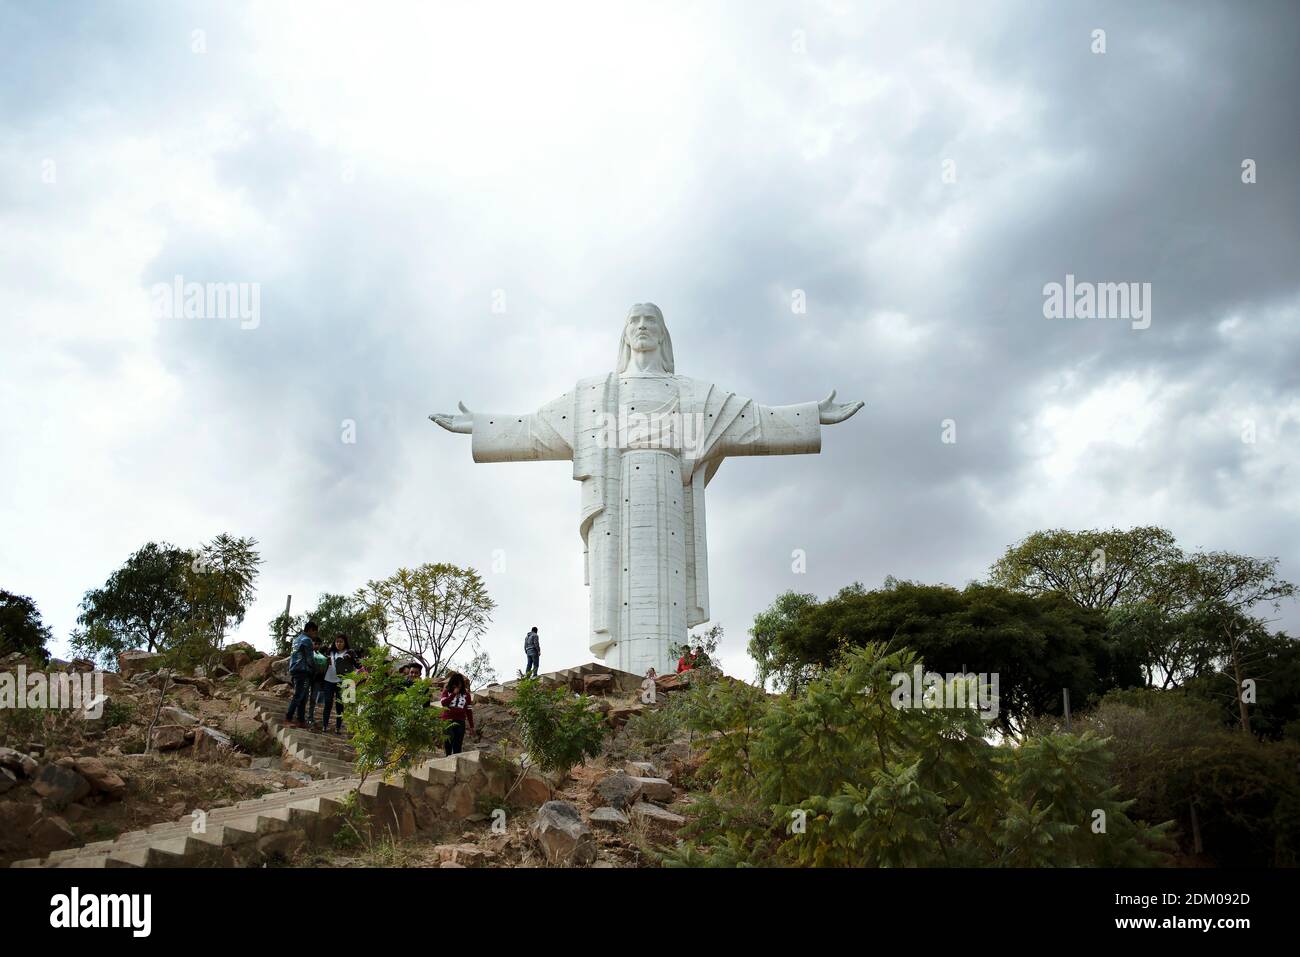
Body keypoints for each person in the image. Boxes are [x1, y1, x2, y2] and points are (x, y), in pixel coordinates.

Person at [318, 634, 357, 734]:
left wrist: (350, 658)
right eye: (337, 642)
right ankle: (325, 725)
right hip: (328, 680)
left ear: (345, 643)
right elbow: (319, 654)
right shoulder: (330, 652)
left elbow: (357, 664)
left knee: (339, 705)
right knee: (328, 703)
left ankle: (338, 727)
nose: (338, 644)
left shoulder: (349, 652)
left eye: (341, 642)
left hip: (342, 682)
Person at [285, 622, 319, 728]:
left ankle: (301, 720)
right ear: (310, 630)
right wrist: (315, 669)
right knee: (299, 695)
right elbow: (309, 658)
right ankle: (288, 718)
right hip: (302, 670)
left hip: (295, 669)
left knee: (303, 697)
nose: (315, 634)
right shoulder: (307, 640)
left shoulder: (297, 639)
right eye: (314, 632)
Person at [439, 671, 475, 755]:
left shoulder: (466, 695)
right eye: (455, 684)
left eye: (459, 684)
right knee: (448, 741)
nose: (457, 686)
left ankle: (456, 759)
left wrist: (471, 726)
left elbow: (469, 711)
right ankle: (447, 757)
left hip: (460, 721)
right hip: (447, 720)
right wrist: (453, 694)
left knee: (458, 743)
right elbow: (443, 703)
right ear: (452, 684)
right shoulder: (446, 692)